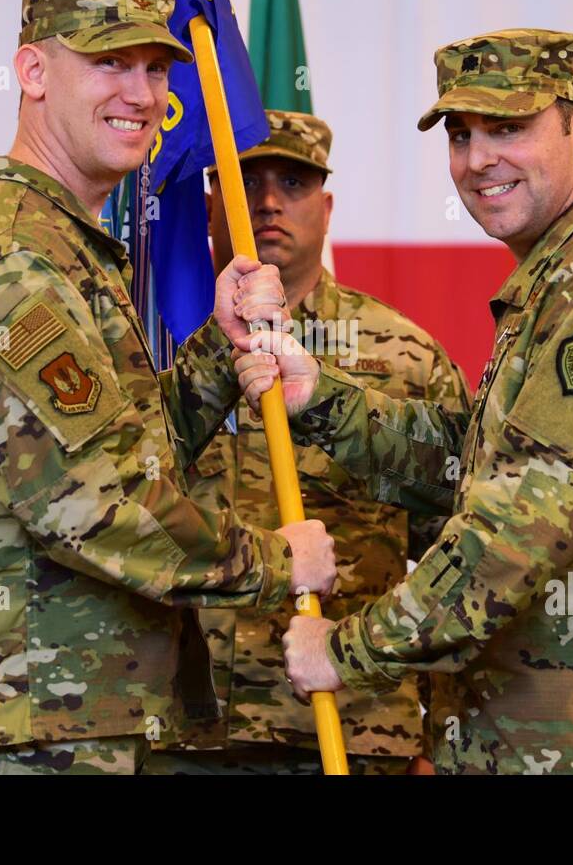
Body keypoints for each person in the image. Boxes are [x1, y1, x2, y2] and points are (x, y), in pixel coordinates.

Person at [0, 0, 335, 776]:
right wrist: (275, 560)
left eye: (156, 69)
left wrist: (218, 352)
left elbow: (124, 455)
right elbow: (89, 504)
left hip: (61, 716)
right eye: (110, 64)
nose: (144, 94)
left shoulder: (58, 245)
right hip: (16, 719)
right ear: (34, 72)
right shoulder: (9, 256)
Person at [239, 29, 573, 774]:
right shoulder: (560, 279)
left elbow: (512, 536)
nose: (477, 159)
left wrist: (344, 650)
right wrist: (321, 398)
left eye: (508, 126)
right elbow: (474, 470)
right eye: (460, 134)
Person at [149, 110, 469, 774]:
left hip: (344, 724)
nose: (267, 202)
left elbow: (457, 554)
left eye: (292, 183)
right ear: (211, 201)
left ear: (326, 207)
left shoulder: (404, 356)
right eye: (246, 180)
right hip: (180, 727)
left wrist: (438, 734)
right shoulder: (160, 342)